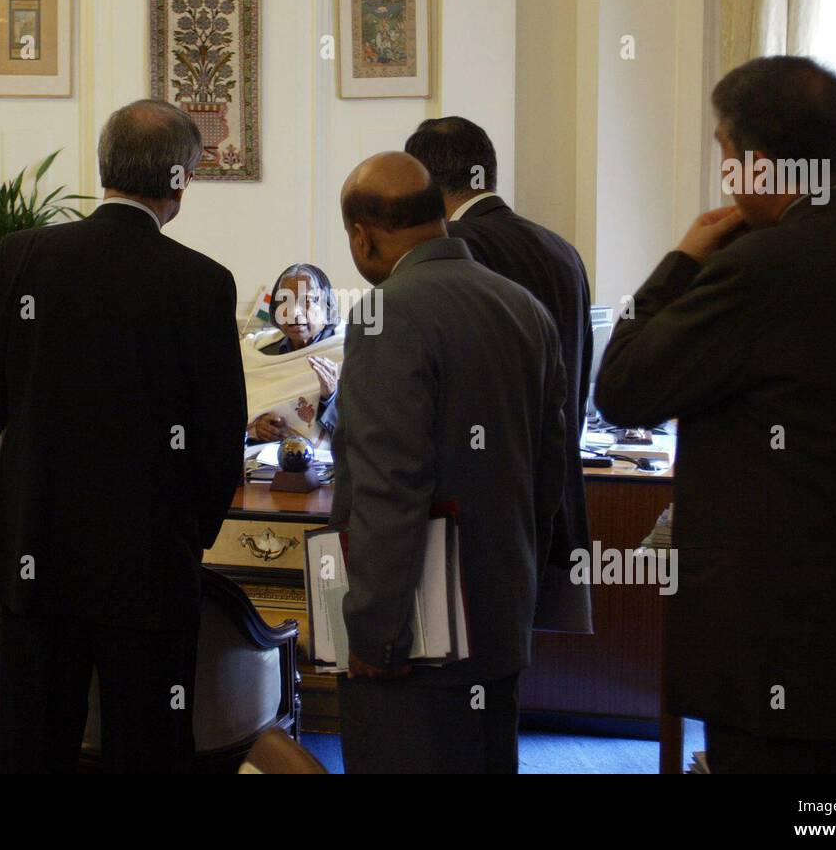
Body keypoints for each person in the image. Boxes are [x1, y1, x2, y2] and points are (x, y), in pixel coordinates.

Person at [595, 55, 836, 773]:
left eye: (726, 154)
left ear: (760, 166)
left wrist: (680, 260)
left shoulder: (754, 272)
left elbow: (623, 387)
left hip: (776, 660)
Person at [0, 99, 247, 773]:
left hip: (36, 556)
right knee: (147, 747)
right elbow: (219, 439)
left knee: (35, 746)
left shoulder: (21, 258)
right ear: (180, 180)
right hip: (148, 567)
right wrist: (191, 534)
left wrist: (12, 506)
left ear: (103, 168)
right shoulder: (201, 283)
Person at [331, 151, 568, 773]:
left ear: (362, 235)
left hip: (418, 633)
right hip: (500, 615)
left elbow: (391, 489)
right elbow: (549, 477)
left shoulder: (387, 314)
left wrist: (375, 632)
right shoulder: (525, 310)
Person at [405, 115, 594, 632]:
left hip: (474, 514)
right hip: (552, 499)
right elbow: (577, 383)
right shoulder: (561, 250)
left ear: (421, 181)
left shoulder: (451, 249)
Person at [247, 263, 341, 441]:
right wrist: (255, 428)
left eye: (307, 301)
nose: (294, 312)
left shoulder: (347, 350)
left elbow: (365, 428)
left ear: (327, 307)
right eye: (285, 302)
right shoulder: (255, 354)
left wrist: (331, 396)